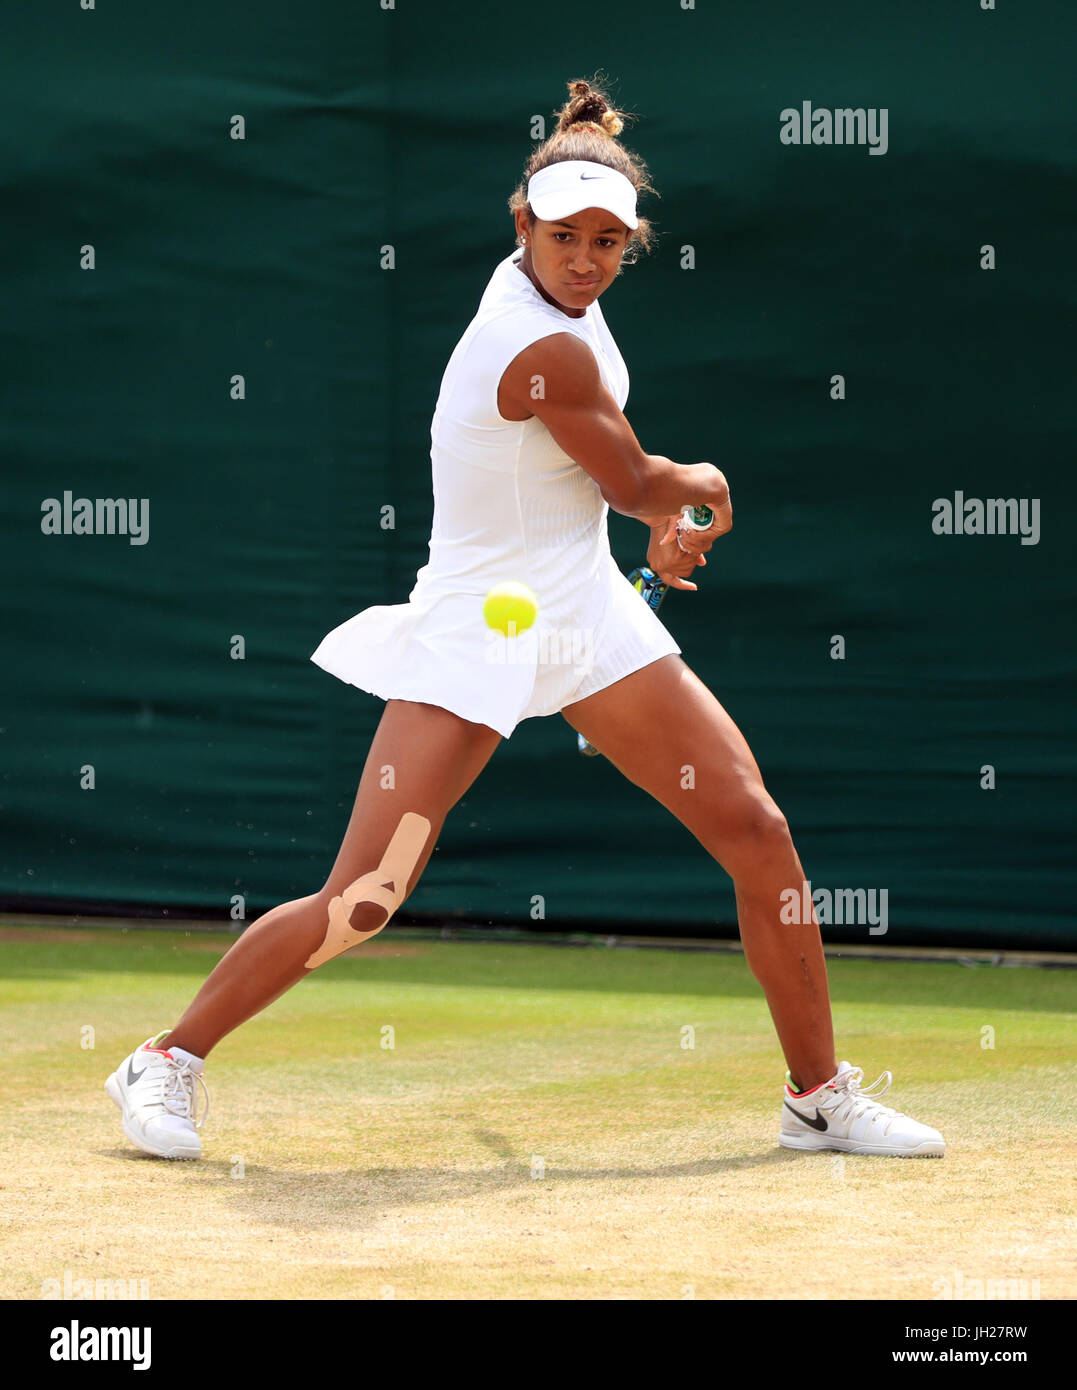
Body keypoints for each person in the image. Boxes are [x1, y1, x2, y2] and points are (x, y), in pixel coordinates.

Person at [105, 78, 944, 1162]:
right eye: (566, 237)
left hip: (584, 611)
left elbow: (592, 480)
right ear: (522, 226)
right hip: (480, 631)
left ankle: (817, 1097)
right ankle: (163, 1061)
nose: (587, 259)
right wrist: (704, 487)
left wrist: (649, 518)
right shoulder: (540, 348)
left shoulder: (573, 316)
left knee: (758, 833)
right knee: (366, 896)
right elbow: (641, 478)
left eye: (609, 240)